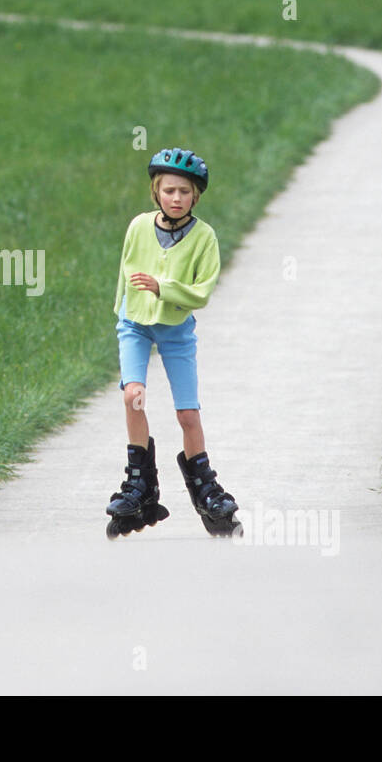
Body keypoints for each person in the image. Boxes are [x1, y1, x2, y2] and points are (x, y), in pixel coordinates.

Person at [105, 148, 241, 539]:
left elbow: (201, 294)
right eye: (169, 190)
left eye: (184, 191)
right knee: (133, 395)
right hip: (134, 323)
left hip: (176, 329)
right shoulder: (137, 227)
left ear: (195, 196)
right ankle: (138, 482)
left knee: (187, 414)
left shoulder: (204, 238)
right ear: (156, 192)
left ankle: (206, 487)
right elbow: (124, 274)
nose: (176, 198)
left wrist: (163, 287)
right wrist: (122, 314)